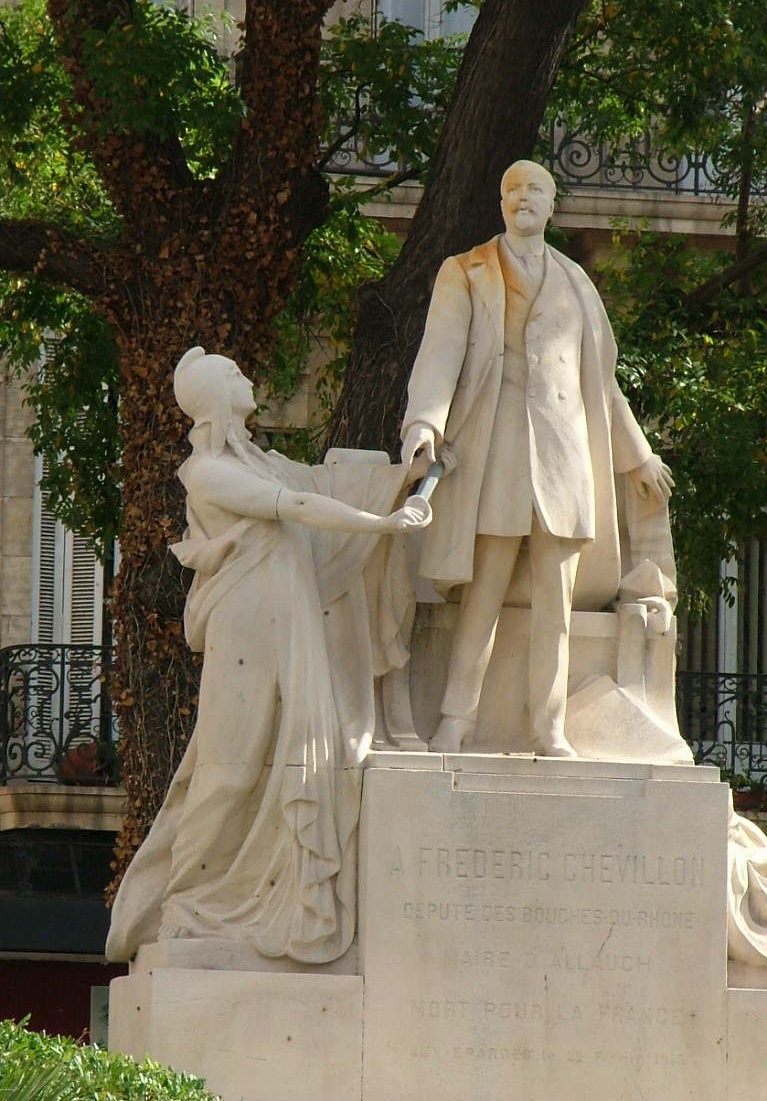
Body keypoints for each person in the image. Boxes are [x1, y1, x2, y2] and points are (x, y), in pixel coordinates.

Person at [106, 347, 430, 964]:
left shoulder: (258, 459)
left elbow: (315, 484)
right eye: (233, 373)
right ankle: (183, 905)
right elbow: (299, 507)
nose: (247, 376)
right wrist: (385, 526)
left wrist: (399, 481)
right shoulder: (207, 472)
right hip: (248, 623)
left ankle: (239, 896)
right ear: (216, 399)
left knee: (281, 763)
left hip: (284, 619)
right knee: (228, 768)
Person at [401, 160, 673, 758]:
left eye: (535, 191)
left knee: (557, 597)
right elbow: (440, 353)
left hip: (563, 455)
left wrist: (638, 457)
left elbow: (603, 385)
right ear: (501, 205)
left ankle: (547, 726)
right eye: (512, 191)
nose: (523, 199)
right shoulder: (466, 271)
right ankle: (456, 717)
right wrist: (425, 424)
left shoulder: (578, 283)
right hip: (494, 447)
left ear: (553, 206)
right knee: (486, 588)